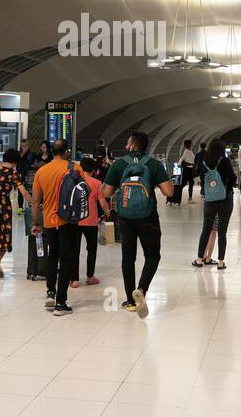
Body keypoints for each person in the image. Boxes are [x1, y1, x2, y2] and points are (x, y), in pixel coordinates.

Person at [99, 131, 172, 317]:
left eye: (127, 143)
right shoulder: (154, 164)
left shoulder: (119, 164)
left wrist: (118, 187)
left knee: (128, 258)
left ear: (132, 146)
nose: (125, 146)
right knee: (153, 256)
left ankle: (130, 301)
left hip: (126, 219)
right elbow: (169, 192)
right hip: (148, 218)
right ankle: (142, 289)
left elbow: (106, 192)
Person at [30, 139, 84, 316]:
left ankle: (50, 293)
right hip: (68, 221)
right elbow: (81, 194)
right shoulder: (75, 168)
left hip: (49, 222)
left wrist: (35, 222)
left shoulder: (41, 171)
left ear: (51, 151)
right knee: (66, 259)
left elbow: (36, 201)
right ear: (67, 151)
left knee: (52, 255)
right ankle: (61, 303)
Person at [0, 149, 33, 278]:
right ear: (16, 161)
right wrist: (33, 203)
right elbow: (24, 192)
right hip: (3, 207)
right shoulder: (13, 172)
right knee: (4, 238)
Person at [192, 138, 237, 269]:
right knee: (222, 232)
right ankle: (221, 262)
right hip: (225, 199)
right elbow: (233, 178)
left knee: (206, 229)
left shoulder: (204, 161)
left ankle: (200, 259)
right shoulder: (225, 161)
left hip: (210, 200)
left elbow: (200, 176)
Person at [75, 156, 104, 286]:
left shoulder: (74, 181)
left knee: (73, 250)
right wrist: (108, 212)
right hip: (91, 221)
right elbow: (102, 201)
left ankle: (74, 280)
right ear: (93, 169)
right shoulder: (97, 183)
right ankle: (90, 277)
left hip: (75, 221)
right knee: (91, 249)